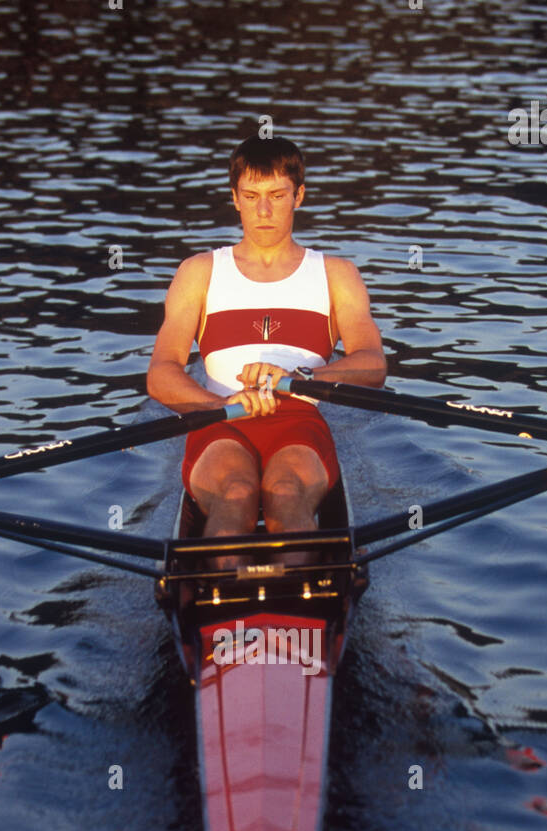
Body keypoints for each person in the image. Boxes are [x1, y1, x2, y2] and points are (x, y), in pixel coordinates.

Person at [147, 134, 387, 540]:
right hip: (219, 418)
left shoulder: (337, 275)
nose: (263, 210)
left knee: (285, 492)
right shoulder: (199, 272)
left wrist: (300, 380)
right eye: (251, 195)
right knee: (236, 492)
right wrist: (221, 404)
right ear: (235, 198)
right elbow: (160, 373)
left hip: (298, 419)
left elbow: (373, 363)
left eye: (277, 195)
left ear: (299, 196)